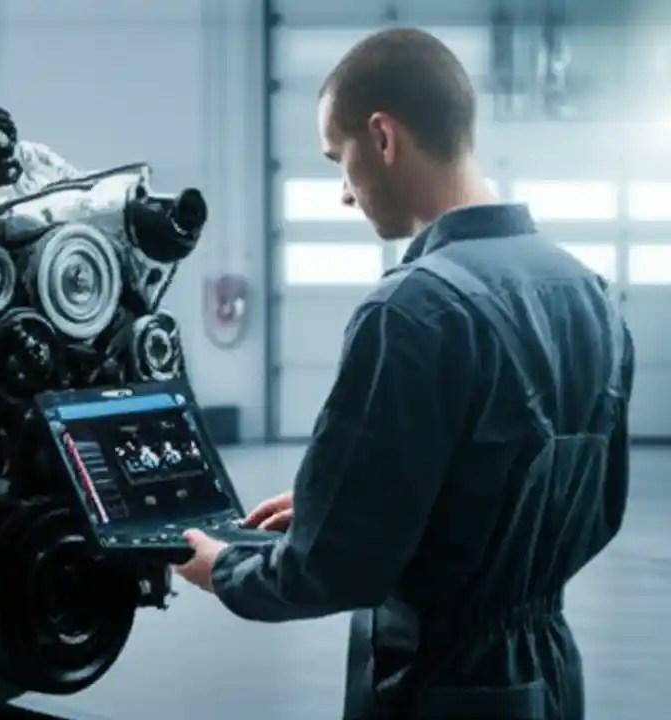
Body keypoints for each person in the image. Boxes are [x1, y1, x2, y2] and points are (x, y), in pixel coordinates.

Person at [173, 27, 633, 720]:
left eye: (339, 158)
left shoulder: (412, 308)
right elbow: (591, 507)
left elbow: (332, 570)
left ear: (382, 137)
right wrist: (368, 505)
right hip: (552, 677)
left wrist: (224, 570)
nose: (344, 195)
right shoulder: (589, 292)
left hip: (439, 688)